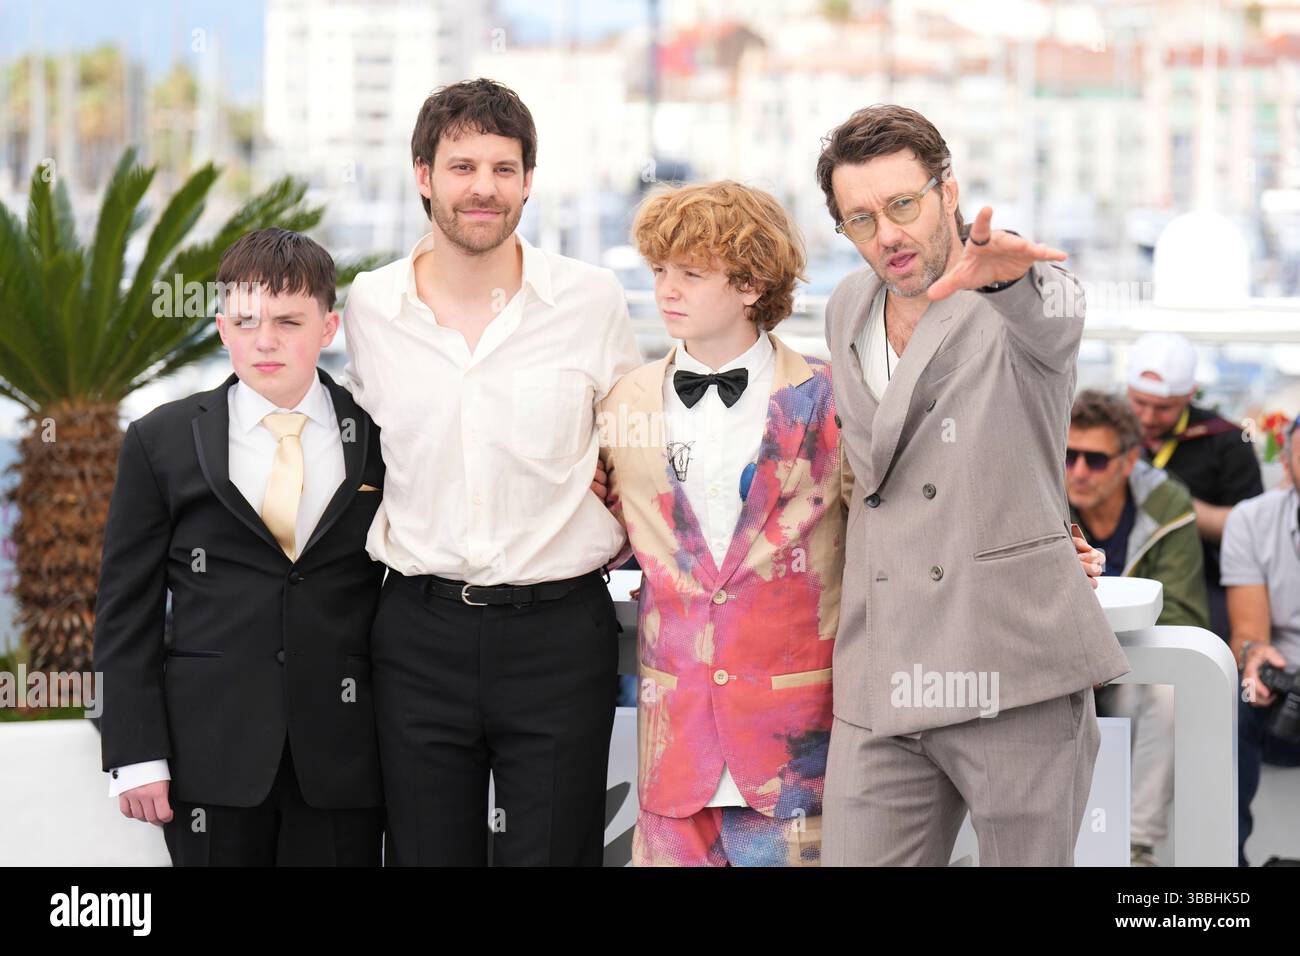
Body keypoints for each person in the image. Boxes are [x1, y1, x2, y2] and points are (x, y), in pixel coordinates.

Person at [341, 78, 642, 866]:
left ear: (529, 182)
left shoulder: (590, 300)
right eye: (463, 165)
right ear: (423, 175)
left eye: (504, 169)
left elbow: (633, 443)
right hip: (416, 630)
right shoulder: (371, 308)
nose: (484, 187)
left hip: (559, 633)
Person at [817, 104, 1128, 866]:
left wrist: (1009, 284)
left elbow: (1058, 320)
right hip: (881, 671)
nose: (886, 234)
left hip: (1007, 669)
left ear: (947, 193)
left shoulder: (1020, 299)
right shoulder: (844, 309)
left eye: (902, 204)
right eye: (859, 219)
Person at [93, 228, 387, 865]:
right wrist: (135, 753)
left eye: (289, 320)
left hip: (345, 761)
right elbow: (125, 610)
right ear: (223, 326)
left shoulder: (379, 437)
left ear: (328, 326)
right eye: (247, 320)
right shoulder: (160, 441)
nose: (266, 340)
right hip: (209, 760)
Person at [599, 181, 847, 866]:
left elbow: (902, 519)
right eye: (659, 271)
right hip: (674, 738)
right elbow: (593, 524)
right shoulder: (625, 403)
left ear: (750, 284)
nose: (666, 289)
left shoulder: (829, 398)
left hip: (795, 739)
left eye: (691, 272)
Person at [1066, 389, 1209, 866]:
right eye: (1068, 455)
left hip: (1133, 666)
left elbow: (1185, 615)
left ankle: (1135, 848)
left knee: (1163, 693)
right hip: (1060, 664)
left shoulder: (1168, 505)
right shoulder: (1038, 499)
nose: (1079, 471)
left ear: (1129, 462)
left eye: (1096, 459)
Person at [1126, 331, 1264, 641]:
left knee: (1202, 653)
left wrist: (1170, 504)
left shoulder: (1228, 441)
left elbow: (1255, 530)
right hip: (1118, 566)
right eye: (1139, 402)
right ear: (1127, 390)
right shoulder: (1105, 437)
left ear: (1191, 395)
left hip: (1201, 577)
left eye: (1163, 408)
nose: (1147, 418)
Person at [1221, 415, 1300, 866]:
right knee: (1237, 695)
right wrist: (1255, 657)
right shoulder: (1252, 519)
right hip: (1282, 688)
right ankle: (1229, 863)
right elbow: (1249, 635)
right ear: (1287, 460)